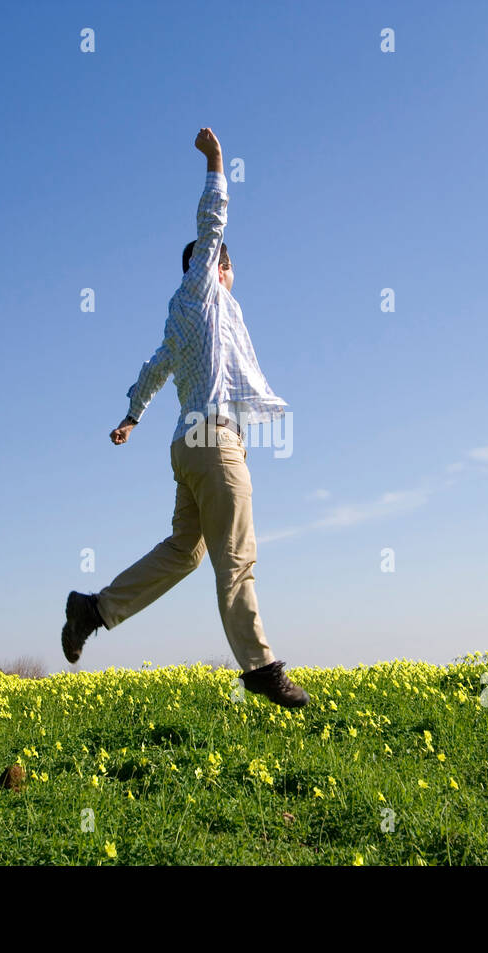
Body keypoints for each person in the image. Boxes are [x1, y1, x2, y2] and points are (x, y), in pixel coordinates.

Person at [60, 127, 308, 709]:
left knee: (185, 550)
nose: (233, 275)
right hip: (212, 441)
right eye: (230, 267)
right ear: (213, 267)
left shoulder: (180, 319)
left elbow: (152, 369)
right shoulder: (202, 292)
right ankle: (260, 668)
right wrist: (216, 161)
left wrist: (131, 417)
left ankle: (93, 609)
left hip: (186, 445)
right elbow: (212, 223)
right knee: (237, 557)